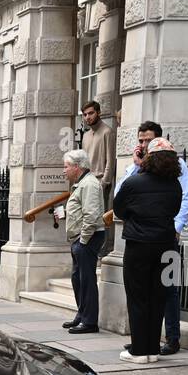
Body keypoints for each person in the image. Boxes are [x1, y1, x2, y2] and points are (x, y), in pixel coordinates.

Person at [114, 120, 188, 356]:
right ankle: (149, 345)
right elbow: (177, 203)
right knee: (157, 295)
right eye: (141, 140)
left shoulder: (136, 180)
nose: (143, 145)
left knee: (141, 295)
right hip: (164, 241)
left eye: (147, 140)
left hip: (141, 243)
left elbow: (119, 206)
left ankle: (148, 346)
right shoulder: (172, 185)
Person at [59, 148, 105, 335]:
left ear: (77, 167)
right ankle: (82, 314)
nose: (64, 170)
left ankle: (89, 321)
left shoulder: (89, 185)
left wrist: (83, 240)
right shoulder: (81, 184)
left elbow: (92, 215)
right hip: (80, 238)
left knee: (86, 280)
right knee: (77, 279)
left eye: (66, 166)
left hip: (87, 238)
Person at [80, 100, 115, 257]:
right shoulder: (86, 135)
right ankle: (89, 250)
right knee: (86, 217)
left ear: (98, 112)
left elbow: (111, 161)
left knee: (101, 219)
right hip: (86, 182)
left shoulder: (107, 132)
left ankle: (103, 252)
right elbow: (83, 162)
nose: (88, 117)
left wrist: (104, 183)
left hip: (101, 183)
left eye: (91, 113)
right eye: (85, 114)